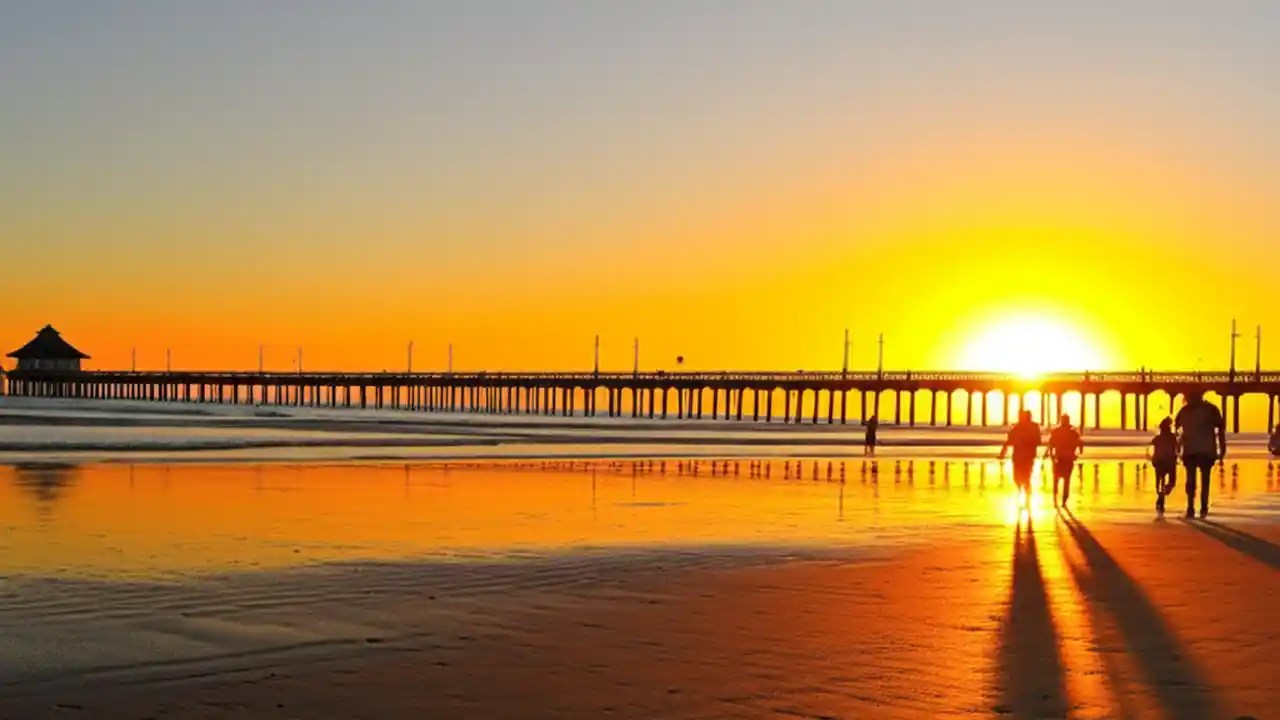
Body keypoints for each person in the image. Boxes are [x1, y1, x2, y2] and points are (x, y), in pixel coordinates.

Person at [1174, 390, 1226, 519]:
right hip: (1207, 449)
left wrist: (1177, 448)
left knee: (1190, 480)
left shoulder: (1184, 411)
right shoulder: (1211, 409)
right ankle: (1203, 507)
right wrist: (1222, 448)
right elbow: (1220, 428)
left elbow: (1176, 429)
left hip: (1190, 449)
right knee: (1205, 480)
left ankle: (1191, 507)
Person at [999, 410, 1042, 505]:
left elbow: (1038, 441)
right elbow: (1009, 440)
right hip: (1018, 456)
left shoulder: (1033, 427)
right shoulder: (1017, 427)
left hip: (1028, 457)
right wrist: (1003, 451)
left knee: (1026, 477)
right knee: (1017, 478)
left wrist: (1028, 441)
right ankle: (1022, 494)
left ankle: (1027, 498)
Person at [1046, 414, 1082, 506]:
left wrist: (1050, 454)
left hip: (1060, 459)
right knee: (1065, 480)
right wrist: (1078, 453)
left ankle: (1057, 499)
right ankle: (1062, 500)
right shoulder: (1072, 432)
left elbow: (1051, 444)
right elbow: (1080, 443)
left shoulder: (1058, 432)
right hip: (1065, 459)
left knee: (1057, 480)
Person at [1150, 417, 1179, 513]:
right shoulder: (1173, 437)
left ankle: (1160, 496)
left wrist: (1153, 460)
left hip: (1159, 461)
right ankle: (1163, 494)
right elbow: (1177, 448)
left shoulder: (1157, 438)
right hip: (1169, 461)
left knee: (1159, 482)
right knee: (1171, 481)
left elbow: (1154, 448)